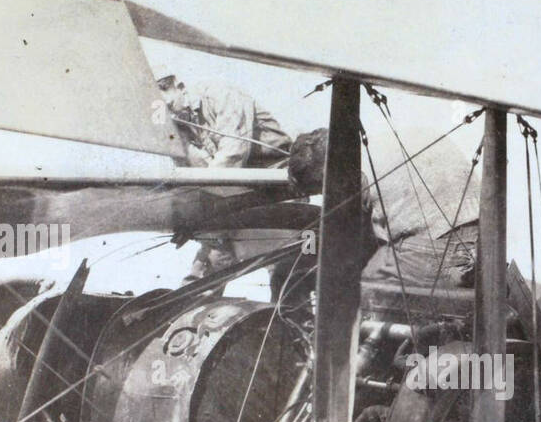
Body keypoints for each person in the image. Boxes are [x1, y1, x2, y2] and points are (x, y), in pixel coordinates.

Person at [285, 124, 482, 293]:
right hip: (483, 241)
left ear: (325, 175)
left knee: (357, 289)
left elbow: (359, 250)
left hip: (446, 253)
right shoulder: (382, 141)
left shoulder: (353, 175)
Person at [157, 73, 294, 283]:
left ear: (180, 87)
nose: (168, 112)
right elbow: (190, 171)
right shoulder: (176, 119)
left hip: (277, 182)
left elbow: (233, 154)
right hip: (235, 187)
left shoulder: (223, 96)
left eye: (169, 102)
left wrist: (199, 213)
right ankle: (195, 298)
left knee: (281, 260)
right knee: (212, 255)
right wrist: (186, 217)